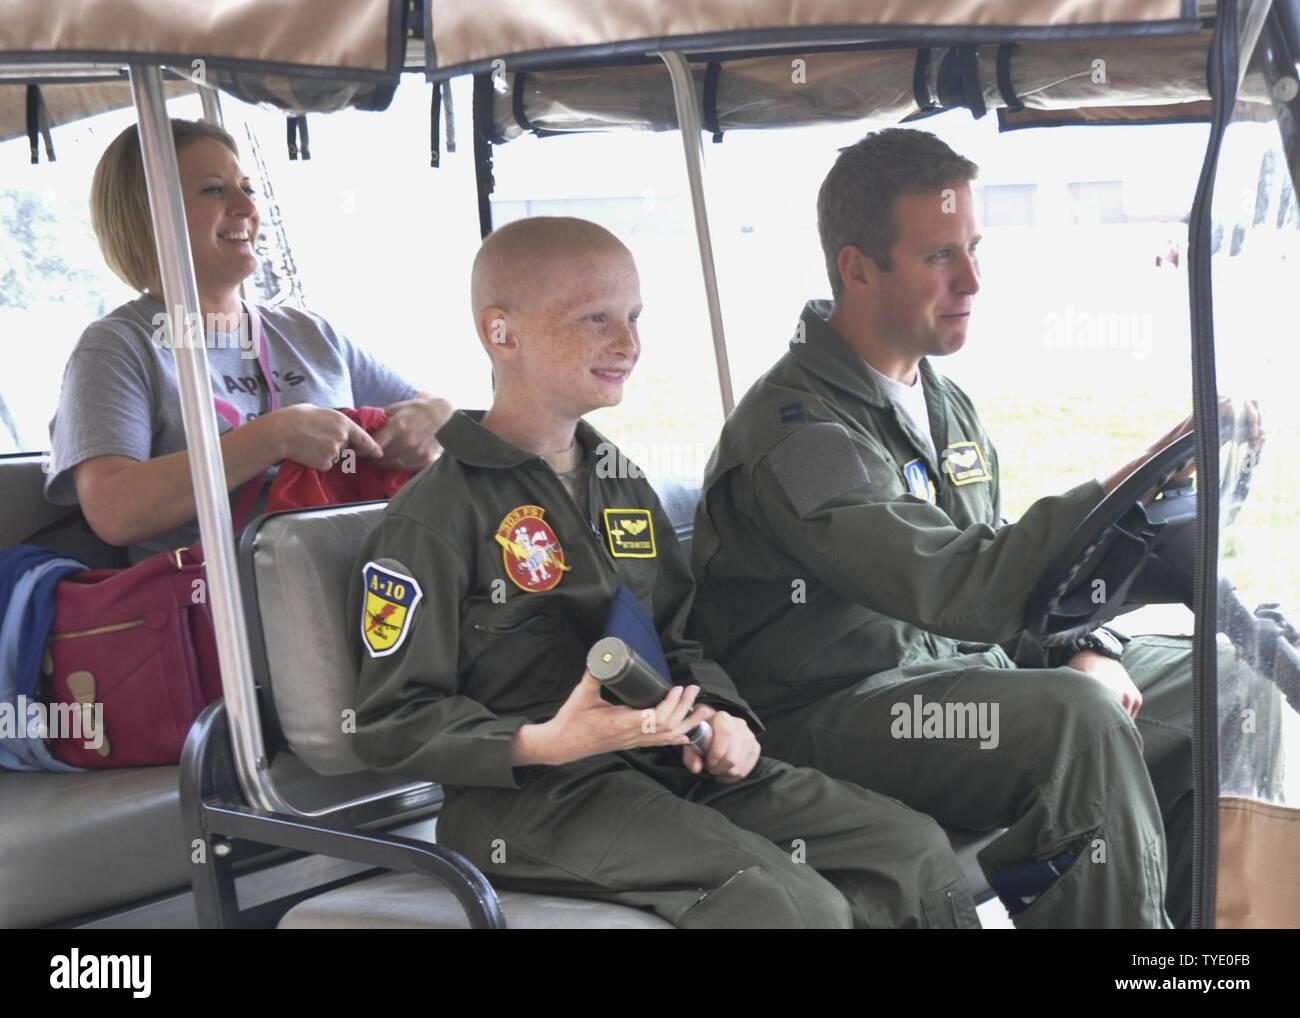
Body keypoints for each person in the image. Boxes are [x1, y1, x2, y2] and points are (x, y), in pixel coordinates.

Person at [346, 216, 980, 928]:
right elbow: (390, 722)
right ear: (502, 333)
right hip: (533, 800)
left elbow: (681, 637)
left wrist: (723, 714)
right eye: (595, 320)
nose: (628, 343)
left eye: (634, 317)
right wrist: (543, 742)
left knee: (908, 848)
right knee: (786, 900)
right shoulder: (434, 515)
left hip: (669, 758)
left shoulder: (620, 481)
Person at [689, 128, 1209, 929]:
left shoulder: (943, 404)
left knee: (1219, 679)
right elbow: (951, 584)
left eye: (974, 249)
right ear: (857, 268)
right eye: (940, 257)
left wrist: (1086, 644)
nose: (973, 279)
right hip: (831, 711)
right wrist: (1117, 482)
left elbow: (1005, 570)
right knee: (1077, 722)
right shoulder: (796, 434)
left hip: (952, 670)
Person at [44, 119, 453, 563]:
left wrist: (435, 415)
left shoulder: (308, 333)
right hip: (218, 614)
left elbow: (429, 409)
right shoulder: (118, 347)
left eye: (248, 188)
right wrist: (272, 437)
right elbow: (115, 509)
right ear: (150, 214)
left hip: (362, 587)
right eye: (215, 190)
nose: (245, 206)